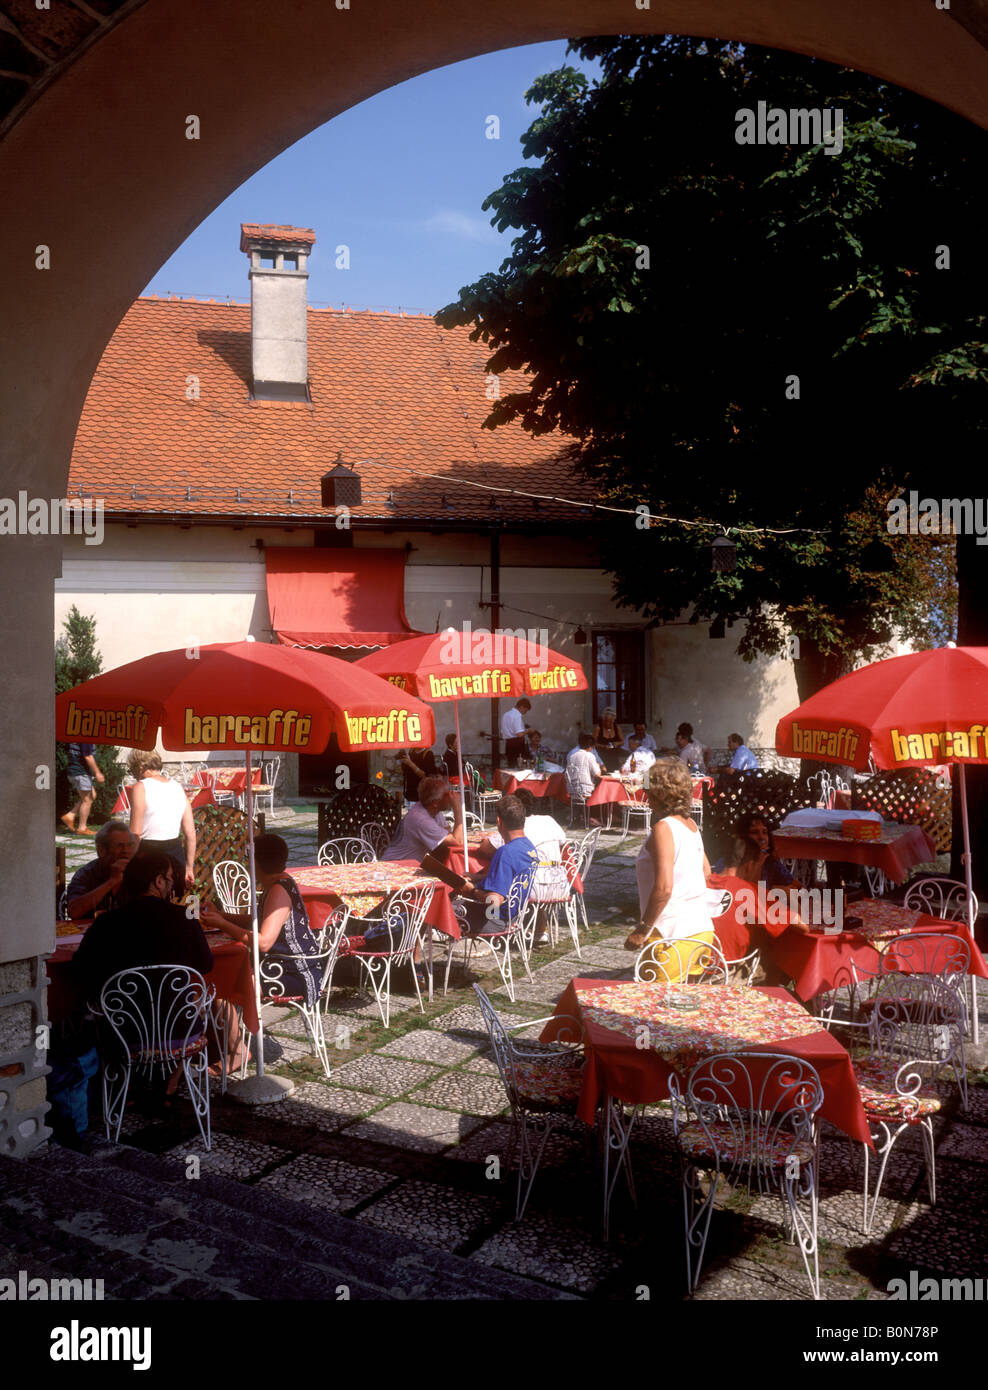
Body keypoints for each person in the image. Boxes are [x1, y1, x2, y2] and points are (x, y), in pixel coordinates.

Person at [74, 851, 244, 1081]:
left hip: (123, 1034)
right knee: (194, 999)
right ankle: (171, 1081)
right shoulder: (184, 918)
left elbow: (80, 970)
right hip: (181, 1031)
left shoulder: (106, 922)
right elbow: (205, 964)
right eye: (171, 878)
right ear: (158, 881)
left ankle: (128, 1086)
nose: (172, 884)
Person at [201, 832, 324, 1013]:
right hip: (284, 965)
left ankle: (231, 1039)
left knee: (221, 985)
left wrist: (223, 924)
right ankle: (228, 1036)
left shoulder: (278, 891)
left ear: (256, 863)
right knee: (223, 980)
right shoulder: (281, 881)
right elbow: (258, 920)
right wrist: (221, 915)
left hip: (295, 973)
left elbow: (264, 943)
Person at [626, 759, 717, 981]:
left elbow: (664, 887)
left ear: (659, 794)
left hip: (672, 934)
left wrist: (642, 930)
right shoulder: (690, 825)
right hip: (701, 929)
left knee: (656, 1008)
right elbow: (706, 872)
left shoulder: (664, 828)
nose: (647, 801)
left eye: (649, 795)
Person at [457, 795, 538, 936]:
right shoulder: (529, 847)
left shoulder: (505, 853)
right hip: (514, 916)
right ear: (523, 820)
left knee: (443, 909)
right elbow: (511, 876)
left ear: (499, 822)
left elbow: (494, 902)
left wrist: (471, 891)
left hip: (494, 919)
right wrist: (478, 877)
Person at [127, 750, 196, 890]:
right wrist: (189, 868)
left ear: (140, 768)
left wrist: (127, 863)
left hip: (149, 854)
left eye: (132, 770)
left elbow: (135, 834)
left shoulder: (141, 787)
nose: (133, 775)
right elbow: (190, 834)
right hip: (176, 855)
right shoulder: (178, 787)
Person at [381, 775, 466, 862]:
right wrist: (458, 808)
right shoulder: (420, 819)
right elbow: (458, 842)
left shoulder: (434, 810)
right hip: (395, 865)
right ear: (435, 803)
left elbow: (449, 836)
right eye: (447, 794)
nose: (451, 797)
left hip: (411, 864)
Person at [65, 820, 139, 920]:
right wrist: (112, 881)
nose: (125, 851)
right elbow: (74, 912)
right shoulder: (87, 874)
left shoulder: (139, 871)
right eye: (119, 846)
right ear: (101, 850)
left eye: (129, 845)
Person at [61, 741, 104, 836]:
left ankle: (70, 815)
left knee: (92, 795)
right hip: (80, 772)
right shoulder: (85, 738)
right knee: (87, 800)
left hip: (79, 772)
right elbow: (88, 756)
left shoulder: (79, 734)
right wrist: (97, 772)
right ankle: (82, 828)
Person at [501, 699, 537, 764]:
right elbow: (519, 734)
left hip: (508, 744)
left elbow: (502, 732)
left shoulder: (506, 715)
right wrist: (528, 731)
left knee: (511, 765)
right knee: (520, 766)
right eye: (525, 710)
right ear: (521, 707)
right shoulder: (517, 715)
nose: (525, 713)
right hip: (517, 745)